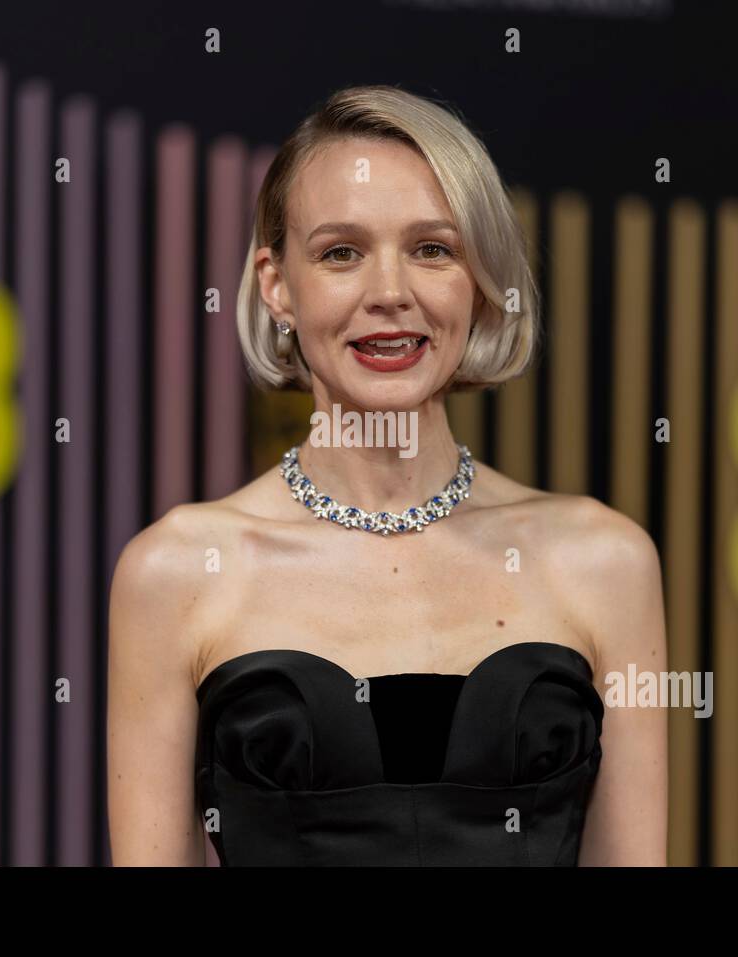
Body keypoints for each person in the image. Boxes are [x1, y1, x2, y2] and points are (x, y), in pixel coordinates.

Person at [108, 84, 667, 866]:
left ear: (478, 281)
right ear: (277, 285)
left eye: (432, 248)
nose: (391, 293)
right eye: (341, 252)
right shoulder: (176, 572)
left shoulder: (604, 561)